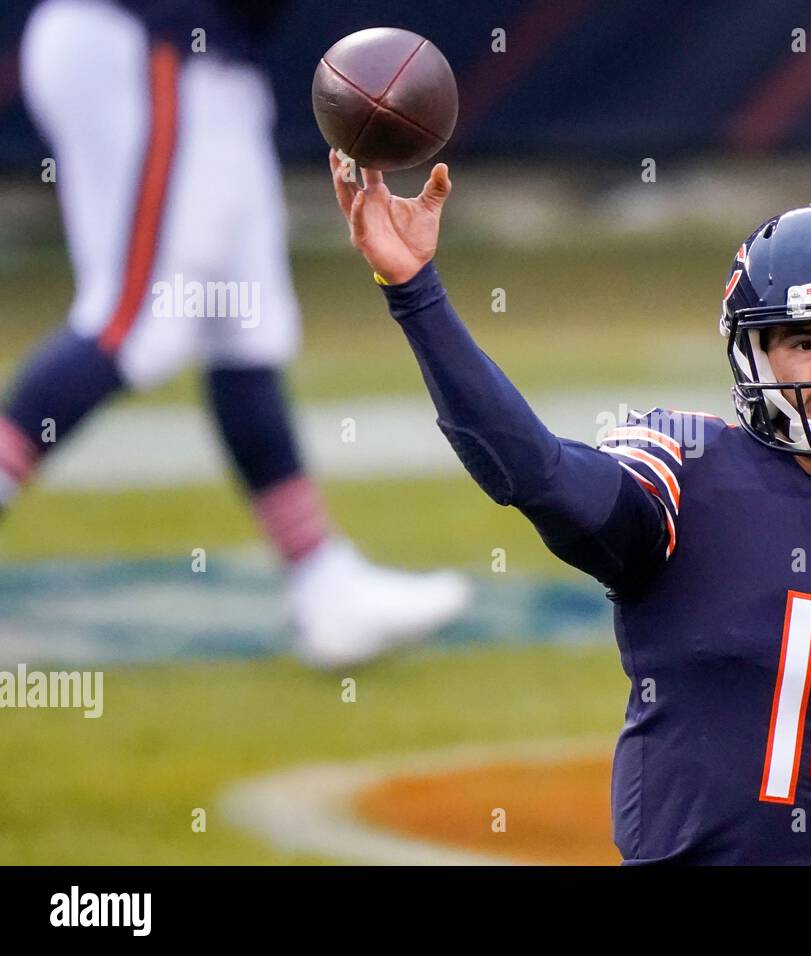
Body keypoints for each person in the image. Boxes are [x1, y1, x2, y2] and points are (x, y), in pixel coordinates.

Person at [330, 151, 811, 864]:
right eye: (800, 342)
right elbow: (537, 473)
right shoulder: (687, 471)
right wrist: (416, 292)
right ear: (755, 356)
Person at [0, 0, 469, 668]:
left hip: (212, 62)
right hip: (148, 33)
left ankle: (322, 583)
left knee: (248, 331)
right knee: (137, 323)